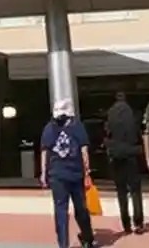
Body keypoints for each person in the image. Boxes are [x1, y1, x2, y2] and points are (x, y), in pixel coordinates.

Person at [40, 99, 95, 248]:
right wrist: (87, 171)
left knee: (60, 210)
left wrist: (43, 173)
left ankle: (63, 243)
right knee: (81, 208)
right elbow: (84, 150)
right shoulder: (77, 126)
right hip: (76, 173)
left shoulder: (49, 128)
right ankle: (87, 237)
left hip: (57, 175)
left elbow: (45, 151)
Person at [103, 92, 143, 235]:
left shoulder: (110, 115)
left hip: (117, 156)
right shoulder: (132, 115)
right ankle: (138, 223)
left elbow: (107, 135)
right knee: (135, 190)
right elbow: (139, 136)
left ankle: (126, 224)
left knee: (121, 191)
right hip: (131, 154)